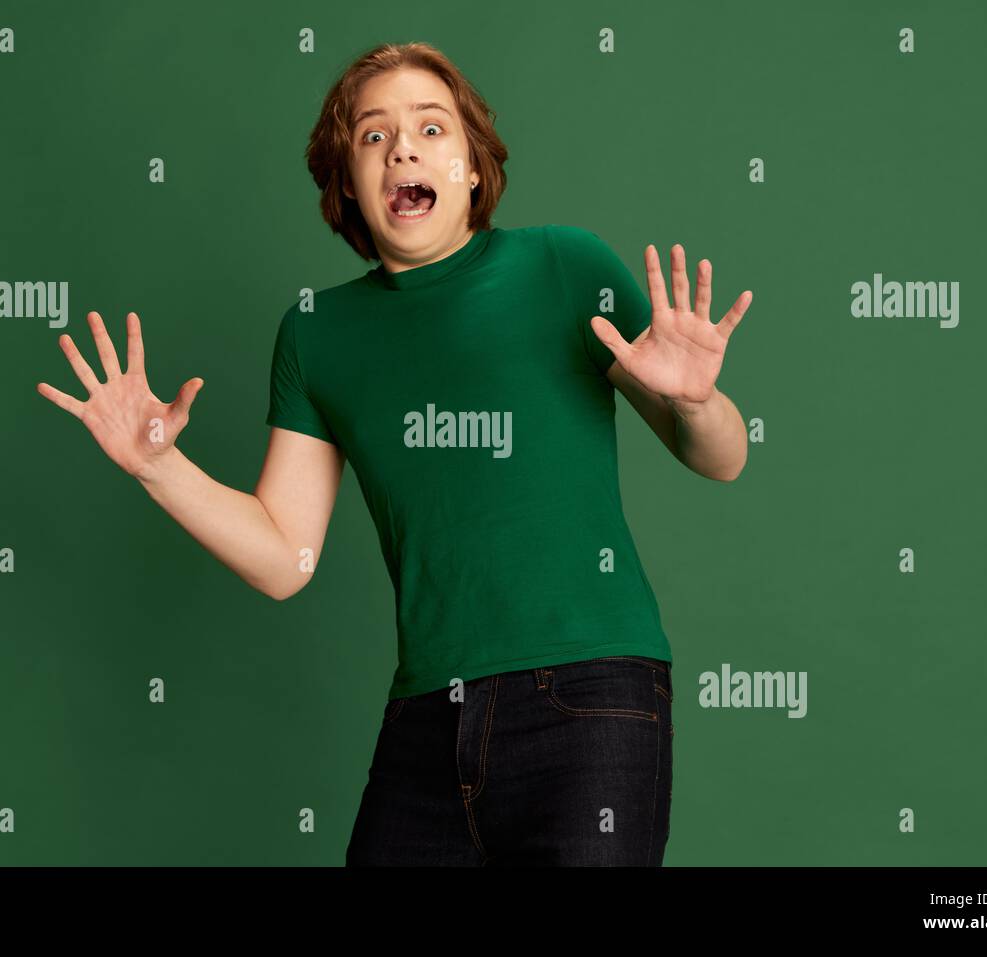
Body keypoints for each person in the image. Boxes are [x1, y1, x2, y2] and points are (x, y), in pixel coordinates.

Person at [37, 41, 752, 867]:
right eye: (373, 137)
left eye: (430, 128)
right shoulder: (316, 333)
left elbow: (720, 458)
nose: (402, 148)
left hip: (590, 699)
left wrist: (696, 402)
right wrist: (158, 464)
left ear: (474, 168)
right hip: (425, 720)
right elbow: (282, 555)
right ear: (347, 183)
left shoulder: (565, 266)